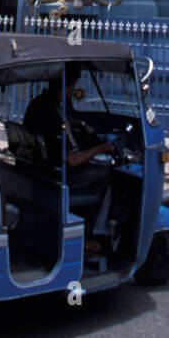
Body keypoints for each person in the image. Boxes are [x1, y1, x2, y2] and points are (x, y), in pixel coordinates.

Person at [23, 63, 114, 253]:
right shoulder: (54, 117)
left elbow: (58, 120)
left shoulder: (40, 104)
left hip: (40, 170)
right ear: (65, 86)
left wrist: (77, 123)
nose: (73, 91)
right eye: (72, 86)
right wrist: (100, 148)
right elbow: (72, 160)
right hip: (59, 175)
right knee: (106, 175)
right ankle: (93, 232)